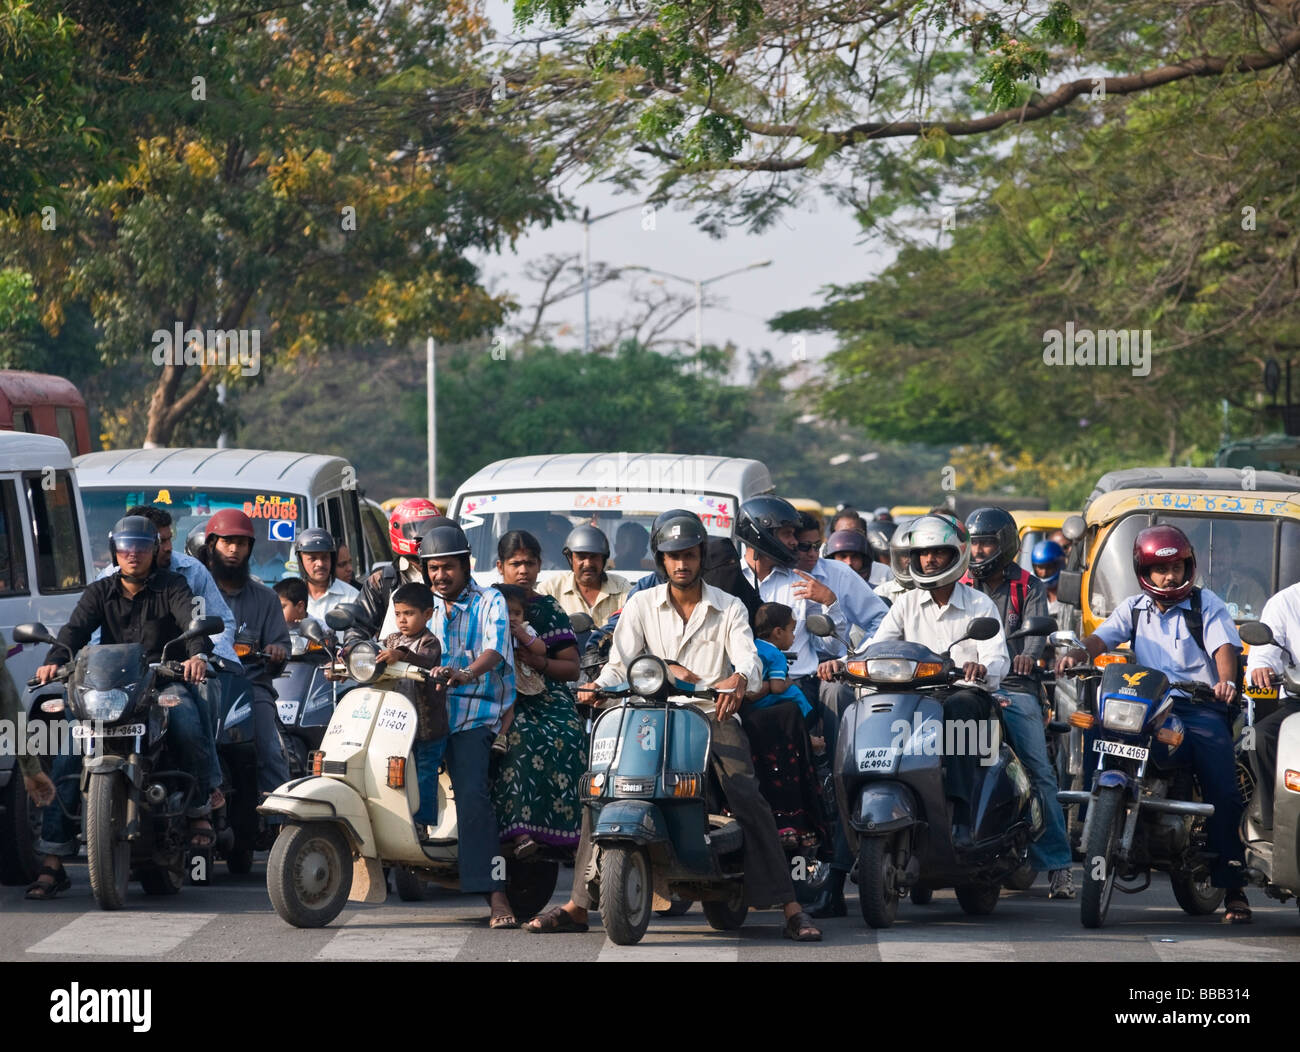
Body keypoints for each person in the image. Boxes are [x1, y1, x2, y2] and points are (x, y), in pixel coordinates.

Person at [525, 511, 822, 941]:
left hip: (709, 716)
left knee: (745, 792)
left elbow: (749, 664)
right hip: (645, 715)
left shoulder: (729, 607)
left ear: (701, 555)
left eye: (688, 554)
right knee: (602, 784)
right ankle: (576, 904)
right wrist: (595, 686)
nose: (681, 564)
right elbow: (619, 665)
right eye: (672, 556)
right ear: (659, 561)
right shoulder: (641, 605)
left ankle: (789, 905)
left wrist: (739, 680)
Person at [1056, 523, 1250, 924]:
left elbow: (1223, 649)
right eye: (1161, 570)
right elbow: (1103, 638)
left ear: (1188, 567)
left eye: (1177, 568)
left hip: (1197, 706)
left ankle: (1232, 885)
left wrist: (1226, 682)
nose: (1170, 577)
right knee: (1093, 726)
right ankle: (1093, 817)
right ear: (1144, 571)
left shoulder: (1205, 605)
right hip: (1145, 703)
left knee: (1223, 789)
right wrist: (1077, 652)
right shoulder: (1134, 608)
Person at [27, 516, 217, 899]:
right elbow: (73, 632)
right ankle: (53, 862)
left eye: (142, 546)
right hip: (111, 688)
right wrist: (54, 659)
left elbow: (192, 622)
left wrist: (196, 655)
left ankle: (200, 807)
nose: (133, 554)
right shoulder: (100, 591)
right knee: (67, 755)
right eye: (126, 547)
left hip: (161, 681)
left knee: (185, 720)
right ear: (116, 550)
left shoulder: (174, 586)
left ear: (154, 550)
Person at [743, 497, 888, 917]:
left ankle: (832, 879)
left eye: (808, 543)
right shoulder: (731, 575)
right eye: (792, 539)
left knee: (832, 781)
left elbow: (881, 624)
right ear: (760, 540)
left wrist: (840, 644)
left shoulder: (822, 577)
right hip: (749, 690)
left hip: (806, 688)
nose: (803, 551)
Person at [868, 514, 1010, 850]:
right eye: (922, 554)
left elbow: (998, 657)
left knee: (959, 707)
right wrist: (843, 663)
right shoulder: (905, 603)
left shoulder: (979, 603)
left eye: (938, 553)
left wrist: (982, 668)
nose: (929, 560)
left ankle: (960, 814)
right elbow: (875, 646)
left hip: (965, 695)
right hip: (914, 697)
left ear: (955, 555)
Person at [963, 507, 1074, 899]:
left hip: (1013, 687)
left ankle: (1060, 867)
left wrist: (1027, 654)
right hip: (962, 687)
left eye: (986, 543)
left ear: (1005, 544)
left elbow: (1036, 635)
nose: (978, 551)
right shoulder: (959, 584)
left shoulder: (1027, 586)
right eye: (974, 543)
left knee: (1039, 770)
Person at [92, 504, 235, 805]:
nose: (167, 547)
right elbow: (86, 636)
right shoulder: (106, 582)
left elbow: (209, 624)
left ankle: (205, 787)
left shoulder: (188, 574)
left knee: (199, 699)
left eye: (169, 539)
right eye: (160, 540)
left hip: (177, 672)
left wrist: (203, 658)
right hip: (120, 681)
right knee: (72, 726)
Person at [420, 524, 518, 928]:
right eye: (432, 569)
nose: (439, 576)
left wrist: (465, 673)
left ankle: (496, 895)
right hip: (424, 708)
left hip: (474, 711)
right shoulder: (415, 601)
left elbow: (495, 648)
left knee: (473, 793)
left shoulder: (489, 599)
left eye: (447, 568)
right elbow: (389, 639)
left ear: (465, 565)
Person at [490, 531, 587, 864]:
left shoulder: (547, 608)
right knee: (517, 736)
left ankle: (571, 835)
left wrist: (538, 662)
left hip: (545, 692)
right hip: (498, 694)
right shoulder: (486, 603)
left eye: (530, 563)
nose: (523, 570)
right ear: (499, 566)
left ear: (539, 565)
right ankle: (520, 833)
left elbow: (572, 668)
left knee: (570, 733)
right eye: (515, 563)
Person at [203, 509, 292, 797]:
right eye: (226, 542)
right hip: (203, 684)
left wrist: (277, 652)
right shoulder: (194, 594)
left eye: (241, 543)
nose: (233, 549)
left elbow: (282, 647)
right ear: (212, 545)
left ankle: (280, 823)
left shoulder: (266, 598)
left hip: (251, 686)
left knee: (269, 751)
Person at [745, 602, 828, 853]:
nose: (794, 637)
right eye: (792, 631)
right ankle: (809, 738)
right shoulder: (776, 655)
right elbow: (779, 688)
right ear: (778, 632)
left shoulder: (752, 648)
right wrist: (786, 682)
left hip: (755, 712)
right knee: (799, 701)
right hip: (778, 709)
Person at [376, 582, 448, 828]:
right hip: (398, 725)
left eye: (409, 614)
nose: (402, 620)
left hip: (428, 729)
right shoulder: (392, 639)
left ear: (428, 614)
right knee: (395, 773)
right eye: (397, 614)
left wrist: (400, 654)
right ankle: (395, 819)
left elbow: (424, 661)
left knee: (424, 775)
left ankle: (422, 824)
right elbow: (375, 655)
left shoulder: (430, 642)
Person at [1245, 579, 1300, 833]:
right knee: (1258, 737)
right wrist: (1261, 667)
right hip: (1297, 704)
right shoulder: (1286, 602)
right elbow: (1263, 651)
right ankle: (1274, 827)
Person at [491, 584, 548, 757]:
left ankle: (501, 735)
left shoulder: (525, 628)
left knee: (511, 701)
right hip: (497, 673)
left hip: (518, 675)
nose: (513, 618)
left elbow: (541, 649)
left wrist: (523, 636)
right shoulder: (492, 627)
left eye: (517, 613)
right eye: (508, 612)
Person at [537, 524, 630, 628]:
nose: (588, 564)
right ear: (570, 558)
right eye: (581, 557)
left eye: (594, 557)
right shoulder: (550, 589)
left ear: (603, 559)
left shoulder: (622, 588)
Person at [294, 527, 359, 623]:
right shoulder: (291, 598)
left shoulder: (352, 596)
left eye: (325, 558)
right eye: (313, 558)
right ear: (301, 561)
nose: (320, 564)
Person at [1032, 539, 1066, 620]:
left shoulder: (1072, 591)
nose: (1044, 573)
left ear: (1059, 565)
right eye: (1040, 567)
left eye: (1049, 567)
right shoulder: (1031, 591)